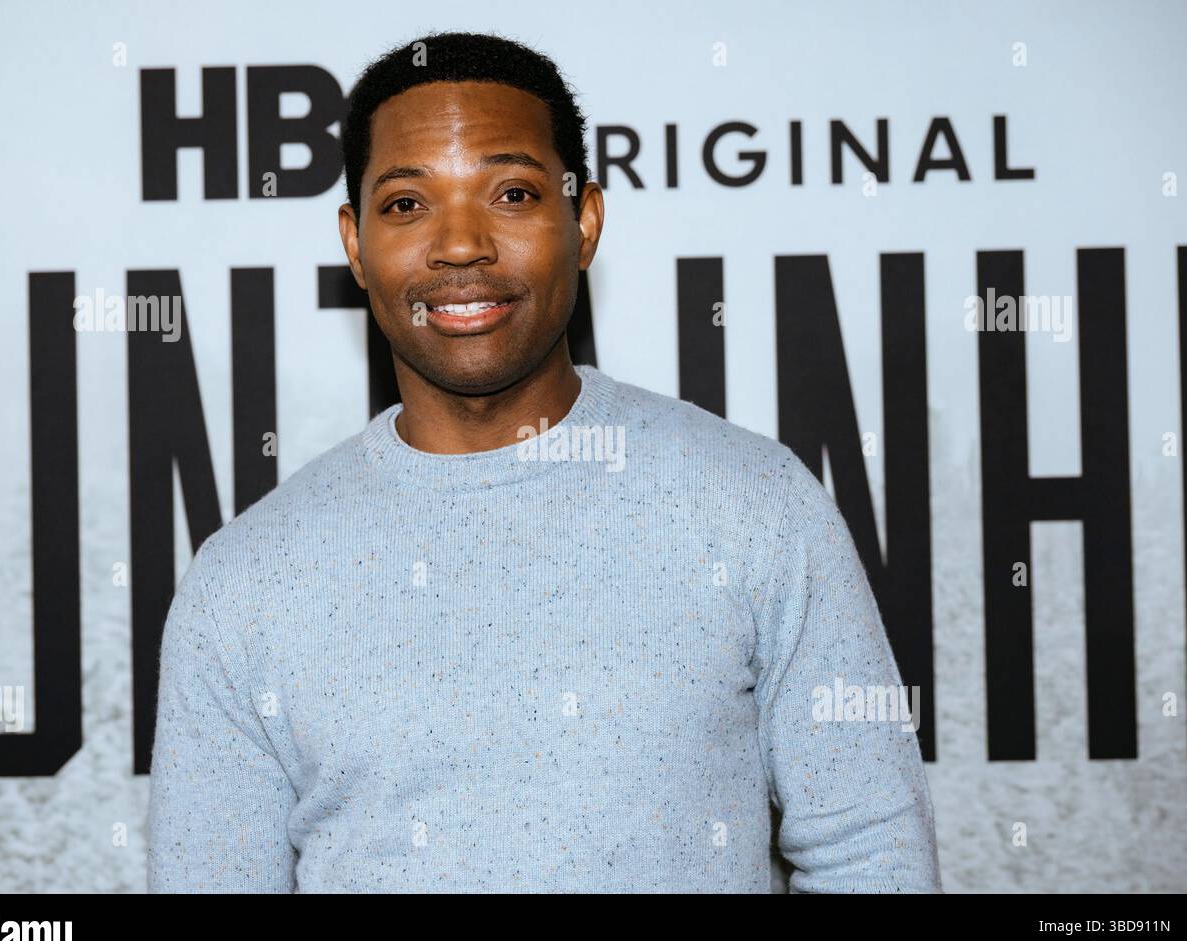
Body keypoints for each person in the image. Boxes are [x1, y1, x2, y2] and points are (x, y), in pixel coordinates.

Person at [146, 30, 942, 893]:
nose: (460, 247)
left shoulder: (752, 502)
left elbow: (873, 858)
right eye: (408, 204)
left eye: (513, 193)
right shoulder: (244, 581)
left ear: (584, 221)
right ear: (354, 242)